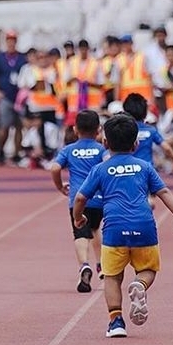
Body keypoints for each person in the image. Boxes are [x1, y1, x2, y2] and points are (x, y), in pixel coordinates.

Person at [73, 114, 173, 338]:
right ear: (136, 144)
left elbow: (80, 198)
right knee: (147, 270)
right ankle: (139, 284)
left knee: (112, 276)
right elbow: (163, 191)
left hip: (114, 230)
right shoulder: (144, 166)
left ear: (105, 143)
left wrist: (79, 218)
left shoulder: (100, 169)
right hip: (144, 227)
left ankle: (116, 321)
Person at [49, 110, 107, 293]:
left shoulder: (69, 150)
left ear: (75, 130)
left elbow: (55, 168)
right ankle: (101, 264)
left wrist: (59, 187)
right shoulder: (100, 150)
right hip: (98, 199)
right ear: (98, 130)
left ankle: (84, 265)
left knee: (80, 233)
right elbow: (107, 164)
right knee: (96, 228)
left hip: (78, 200)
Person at [0, 30, 27, 164]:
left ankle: (16, 152)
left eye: (13, 40)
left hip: (19, 98)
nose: (11, 43)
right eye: (9, 40)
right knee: (4, 126)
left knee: (19, 126)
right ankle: (1, 149)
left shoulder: (22, 57)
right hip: (5, 96)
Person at [122, 94, 173, 173]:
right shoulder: (151, 130)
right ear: (145, 113)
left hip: (129, 169)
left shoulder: (124, 129)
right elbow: (166, 148)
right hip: (148, 169)